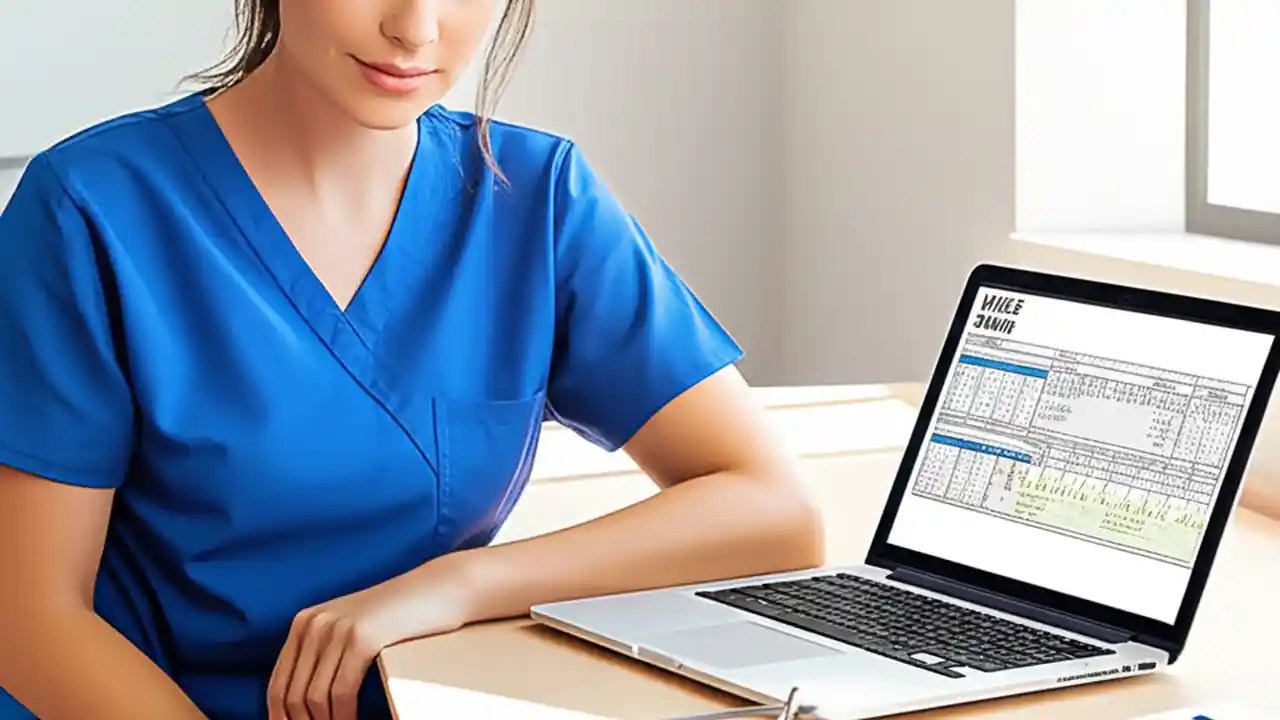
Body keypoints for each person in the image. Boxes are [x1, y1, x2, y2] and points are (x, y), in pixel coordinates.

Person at [0, 1, 825, 719]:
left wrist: (455, 585)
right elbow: (30, 619)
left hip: (419, 696)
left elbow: (773, 509)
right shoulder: (91, 207)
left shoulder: (535, 198)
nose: (415, 28)